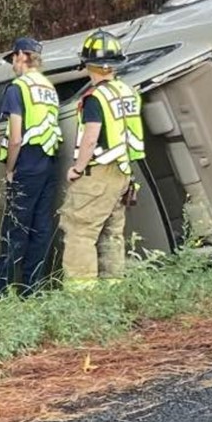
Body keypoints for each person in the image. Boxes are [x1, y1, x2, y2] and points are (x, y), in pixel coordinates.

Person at [58, 29, 145, 289]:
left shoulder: (95, 98)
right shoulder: (128, 93)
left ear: (88, 65)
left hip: (98, 172)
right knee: (112, 233)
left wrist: (77, 168)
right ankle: (112, 290)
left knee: (79, 232)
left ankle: (81, 297)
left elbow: (91, 136)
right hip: (123, 172)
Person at [0, 36, 62, 298]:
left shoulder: (17, 88)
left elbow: (16, 136)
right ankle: (32, 289)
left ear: (21, 56)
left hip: (26, 163)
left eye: (13, 60)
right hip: (48, 161)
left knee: (15, 228)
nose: (13, 66)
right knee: (40, 228)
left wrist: (10, 169)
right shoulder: (48, 87)